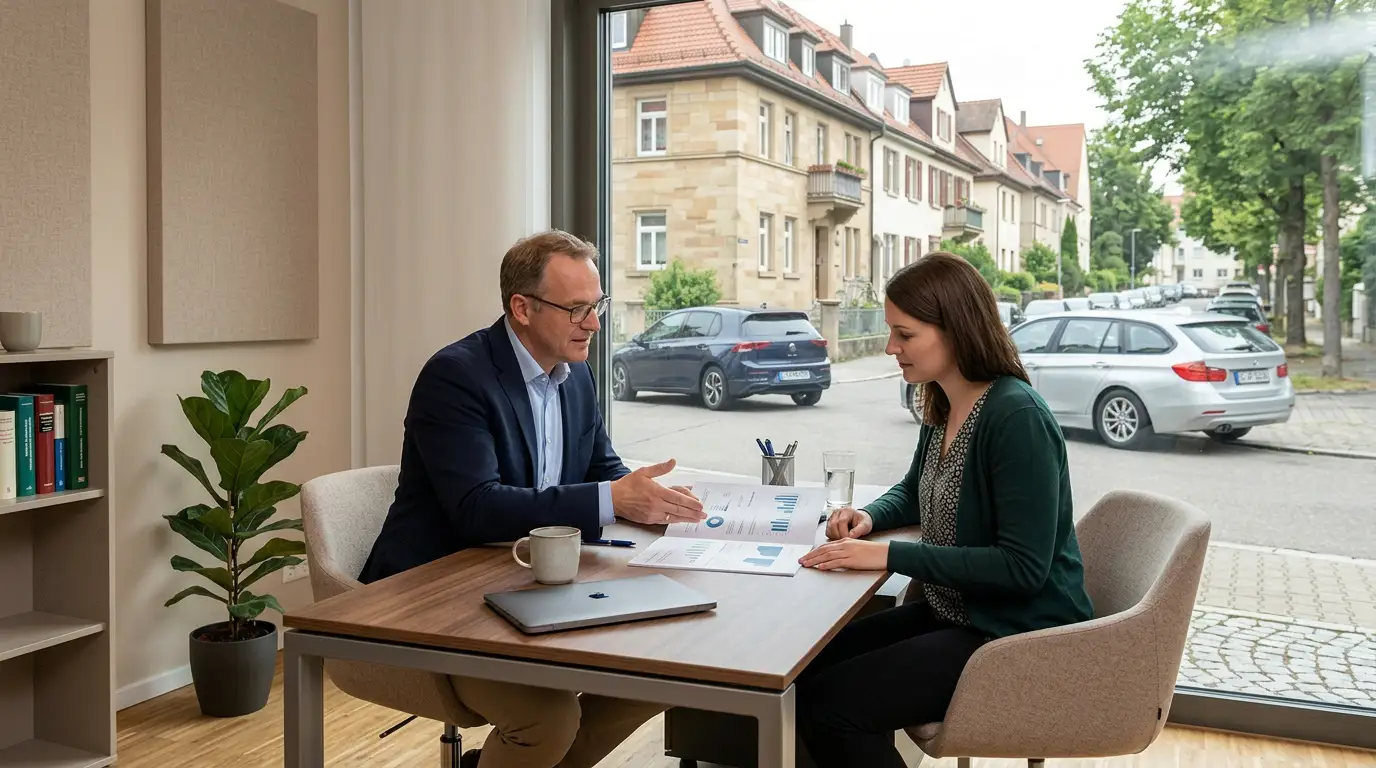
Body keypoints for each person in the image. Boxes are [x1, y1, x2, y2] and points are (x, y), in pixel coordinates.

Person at [359, 229, 706, 768]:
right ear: (522, 308)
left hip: (532, 587)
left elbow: (601, 469)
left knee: (664, 671)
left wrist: (651, 499)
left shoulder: (577, 376)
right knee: (548, 718)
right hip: (433, 601)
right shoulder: (455, 376)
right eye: (576, 310)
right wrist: (613, 499)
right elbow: (477, 507)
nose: (594, 324)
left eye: (597, 306)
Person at [794, 252, 1095, 768]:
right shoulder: (942, 401)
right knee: (804, 669)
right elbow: (915, 489)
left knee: (830, 707)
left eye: (904, 335)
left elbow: (1022, 570)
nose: (891, 348)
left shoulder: (1016, 416)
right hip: (957, 613)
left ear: (954, 329)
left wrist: (889, 556)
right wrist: (869, 517)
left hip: (1014, 635)